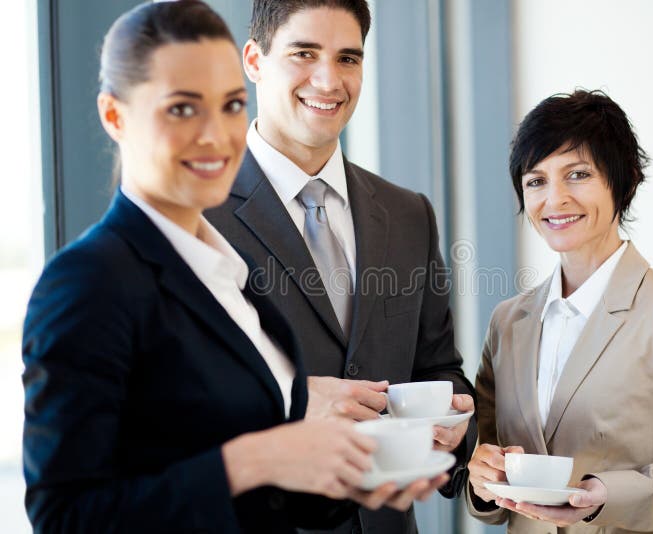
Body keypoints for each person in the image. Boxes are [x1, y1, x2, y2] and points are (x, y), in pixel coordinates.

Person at [21, 2, 443, 533]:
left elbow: (265, 493)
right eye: (182, 109)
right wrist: (252, 459)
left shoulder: (225, 274)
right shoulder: (87, 281)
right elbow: (63, 518)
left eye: (229, 106)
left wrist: (347, 477)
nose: (216, 134)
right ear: (114, 116)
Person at [206, 1, 476, 532]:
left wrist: (454, 426)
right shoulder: (198, 214)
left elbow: (437, 366)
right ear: (255, 61)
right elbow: (166, 402)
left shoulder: (408, 213)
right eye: (304, 53)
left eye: (348, 59)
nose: (328, 80)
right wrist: (290, 405)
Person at [466, 89, 653, 533]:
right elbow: (488, 469)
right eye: (536, 181)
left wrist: (607, 495)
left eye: (578, 174)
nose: (555, 199)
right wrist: (482, 478)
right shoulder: (508, 322)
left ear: (624, 180)